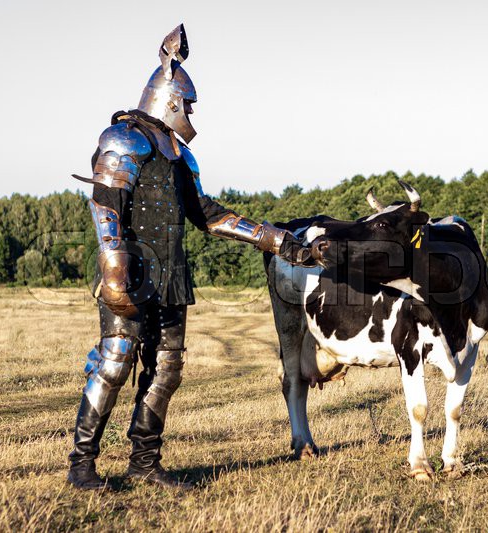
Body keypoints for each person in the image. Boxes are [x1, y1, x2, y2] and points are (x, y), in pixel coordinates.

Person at [67, 24, 314, 490]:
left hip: (172, 277)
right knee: (115, 361)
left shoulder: (179, 156)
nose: (193, 112)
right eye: (190, 103)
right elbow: (105, 207)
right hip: (132, 270)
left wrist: (275, 238)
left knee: (166, 367)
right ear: (171, 100)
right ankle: (82, 464)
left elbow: (208, 214)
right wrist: (114, 269)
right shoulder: (124, 139)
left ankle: (144, 461)